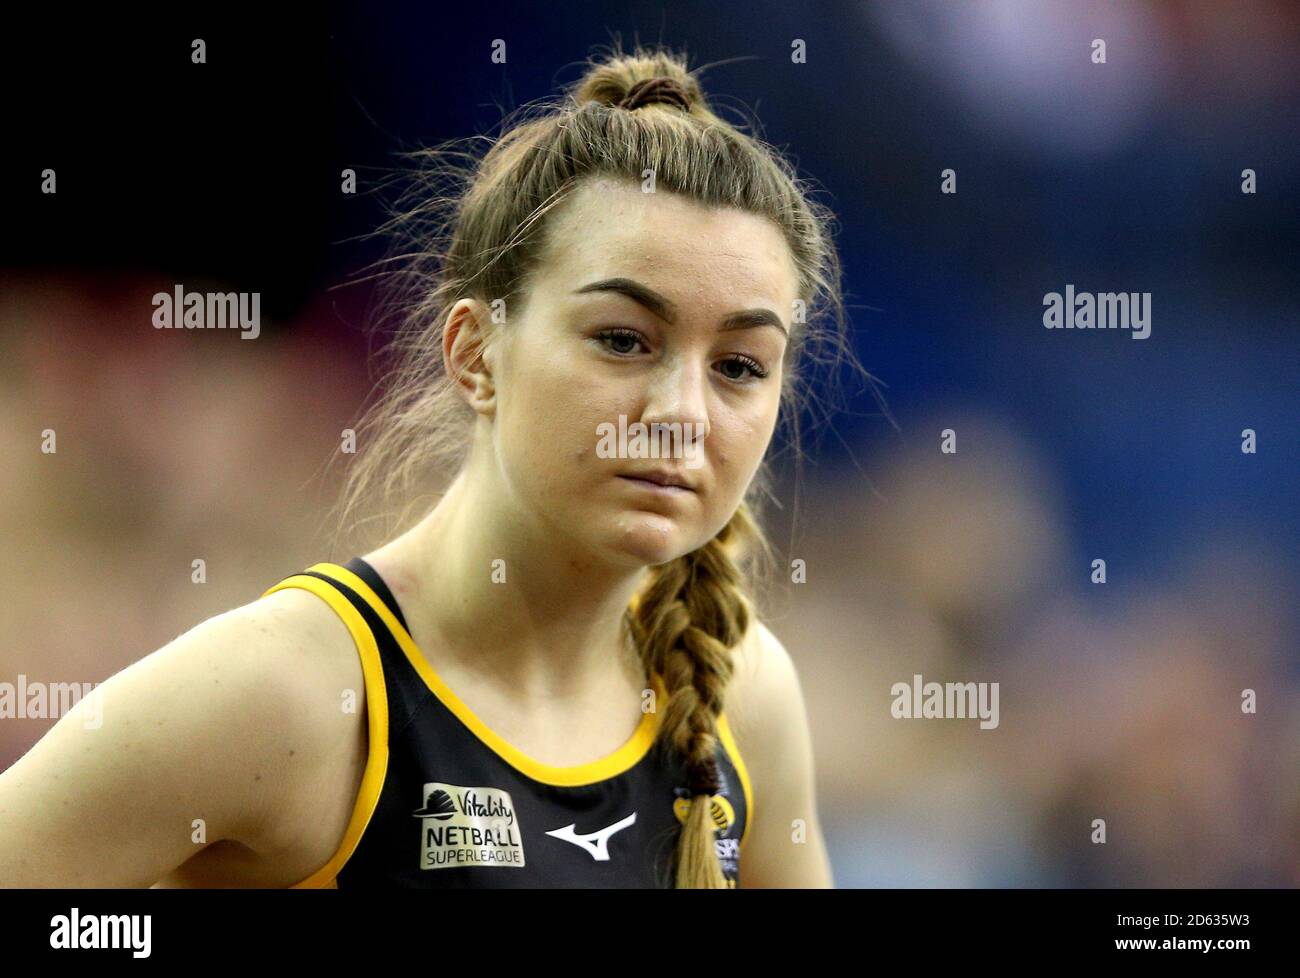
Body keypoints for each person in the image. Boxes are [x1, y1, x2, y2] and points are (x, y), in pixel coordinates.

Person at [0, 44, 854, 888]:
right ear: (476, 353)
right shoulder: (289, 694)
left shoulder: (745, 699)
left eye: (739, 366)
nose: (681, 417)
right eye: (623, 341)